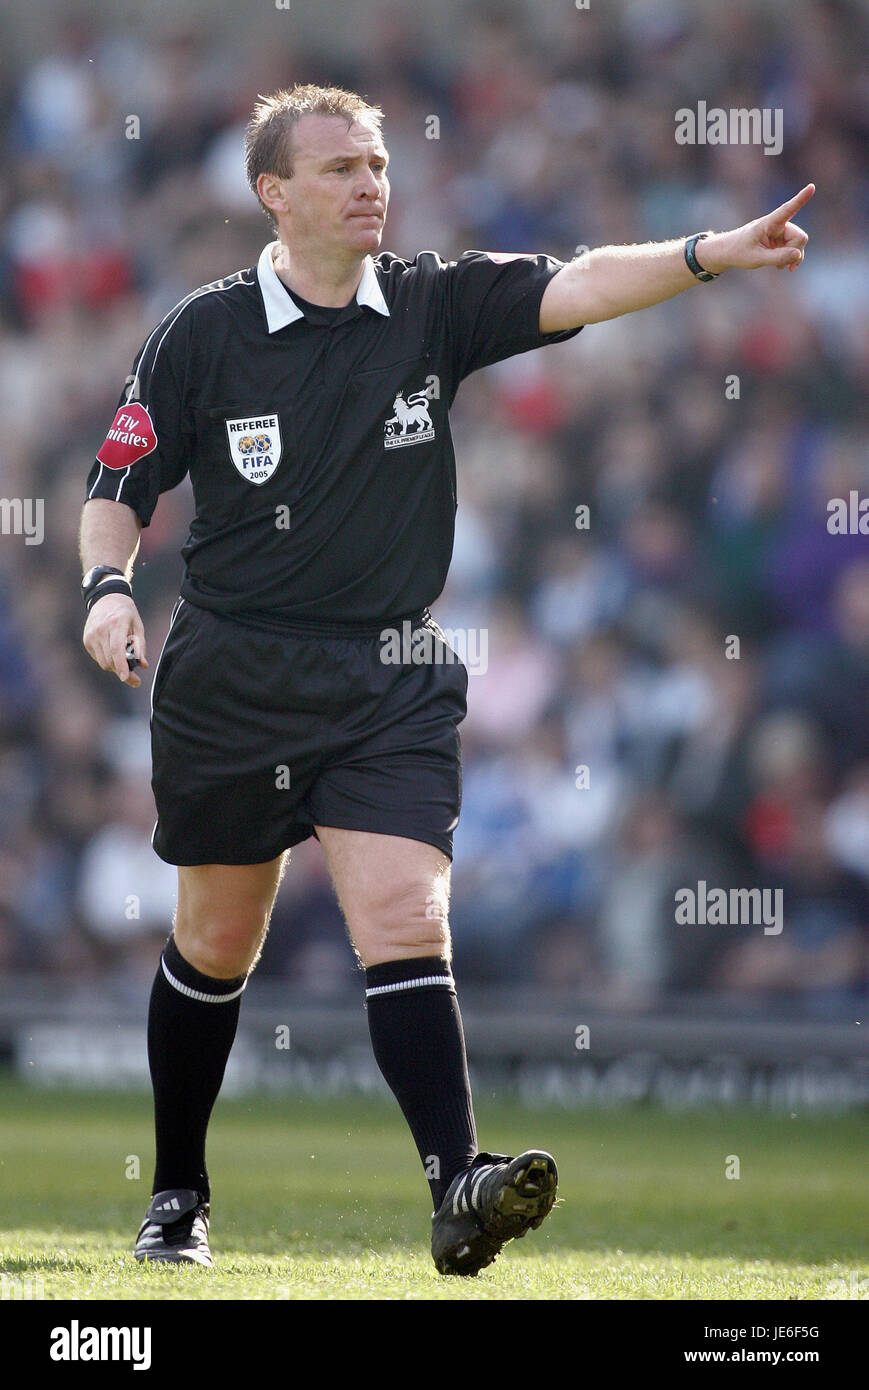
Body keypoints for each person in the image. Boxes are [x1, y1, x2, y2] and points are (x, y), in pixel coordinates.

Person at [79, 83, 812, 1277]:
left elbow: (577, 282)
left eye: (375, 164)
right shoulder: (201, 332)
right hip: (233, 670)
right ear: (273, 194)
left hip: (390, 667)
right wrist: (106, 592)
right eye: (339, 170)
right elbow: (116, 493)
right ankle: (176, 1191)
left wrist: (705, 256)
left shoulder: (430, 304)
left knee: (408, 918)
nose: (372, 184)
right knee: (216, 940)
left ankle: (457, 1182)